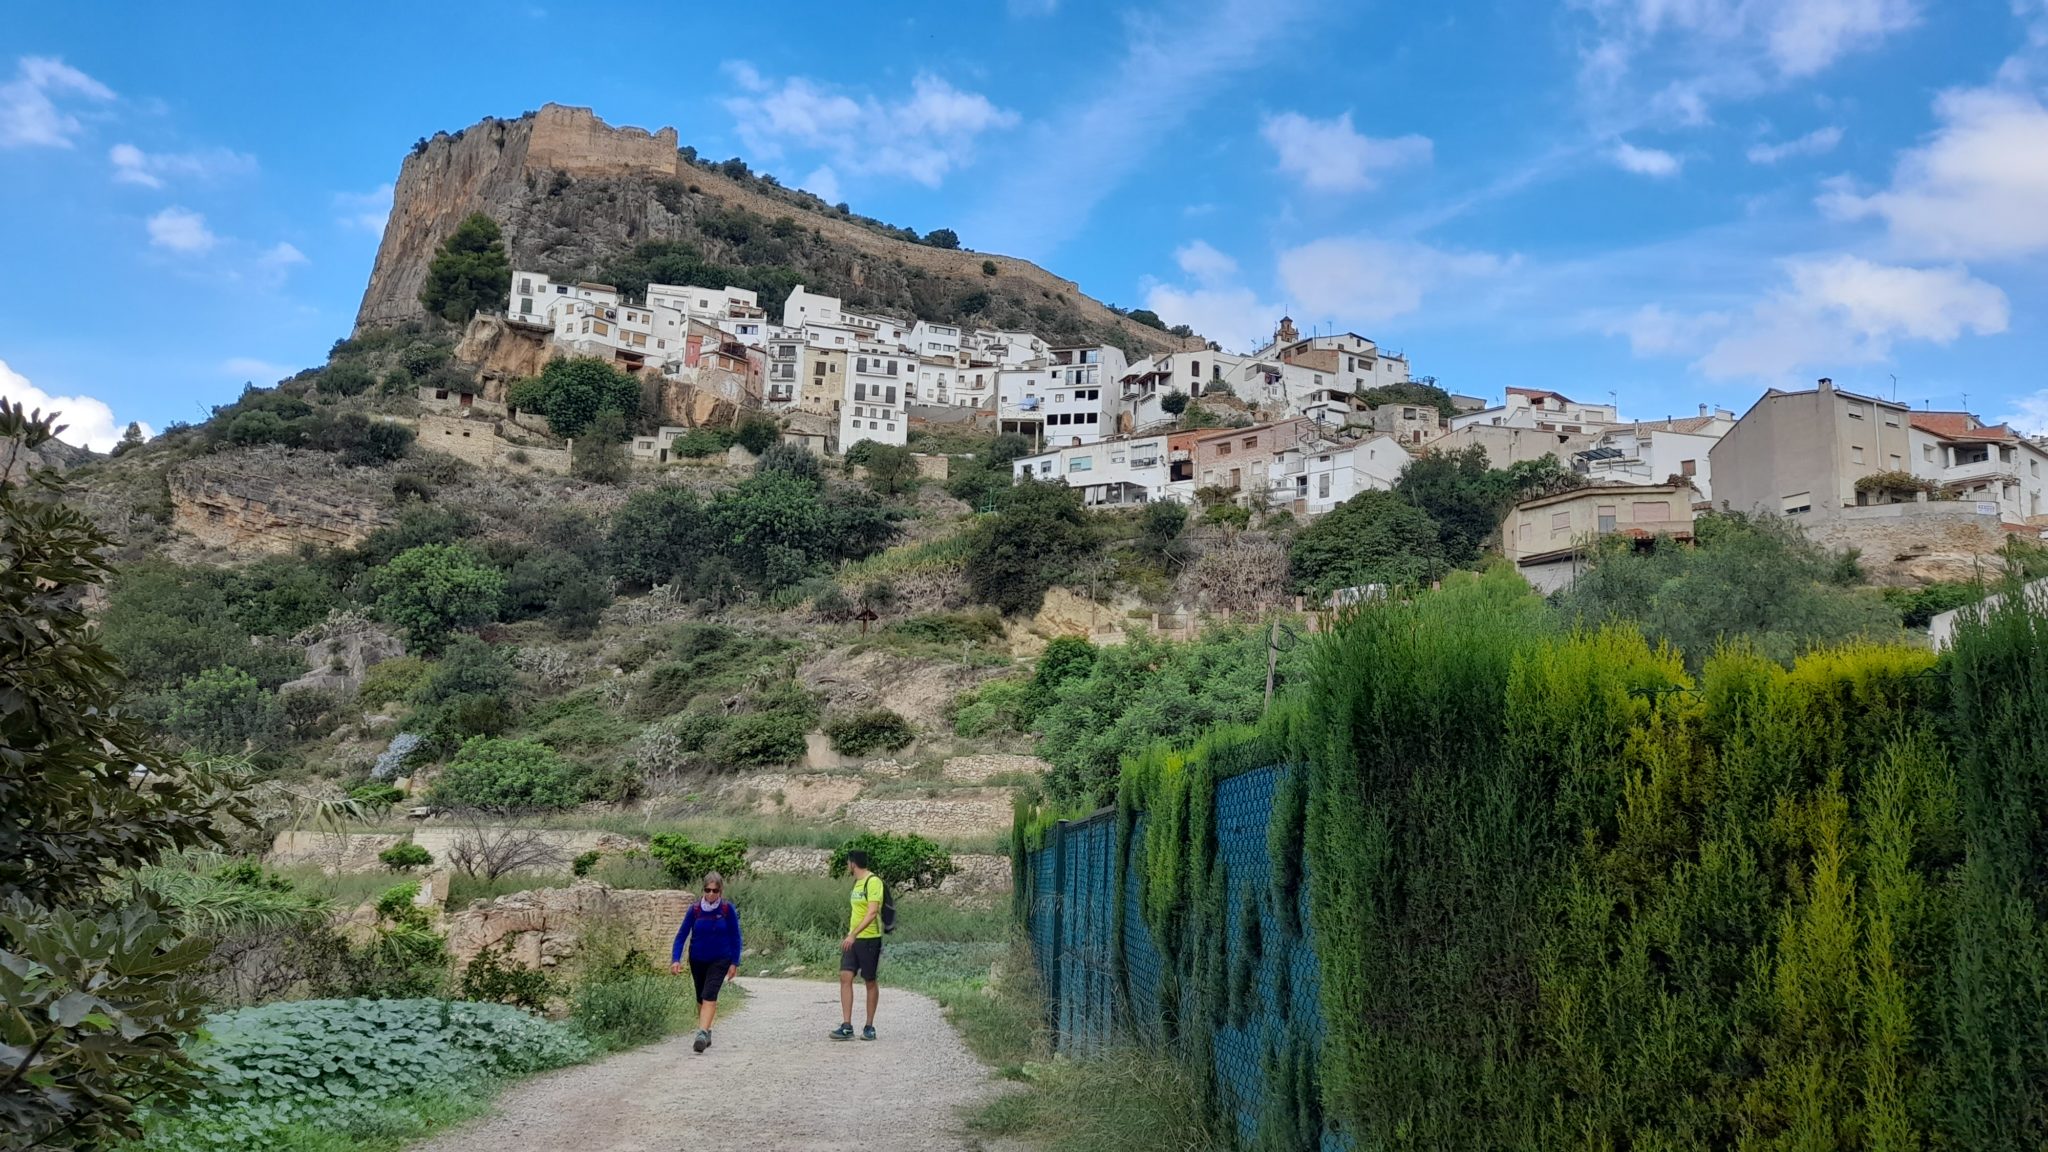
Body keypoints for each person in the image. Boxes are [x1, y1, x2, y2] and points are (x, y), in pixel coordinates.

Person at [670, 871, 741, 1053]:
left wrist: (735, 962)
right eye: (707, 890)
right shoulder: (695, 910)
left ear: (720, 891)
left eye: (714, 891)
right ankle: (707, 1030)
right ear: (703, 890)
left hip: (720, 959)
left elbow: (735, 936)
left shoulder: (727, 910)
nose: (710, 894)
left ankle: (701, 1033)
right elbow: (681, 936)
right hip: (698, 959)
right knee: (700, 995)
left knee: (710, 993)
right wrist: (675, 959)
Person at [831, 850, 884, 1041]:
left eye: (848, 863)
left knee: (869, 980)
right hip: (852, 938)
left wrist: (854, 934)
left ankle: (869, 1026)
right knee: (845, 975)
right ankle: (847, 1025)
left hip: (869, 938)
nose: (848, 866)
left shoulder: (873, 882)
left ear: (852, 864)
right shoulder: (857, 883)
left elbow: (872, 913)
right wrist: (850, 934)